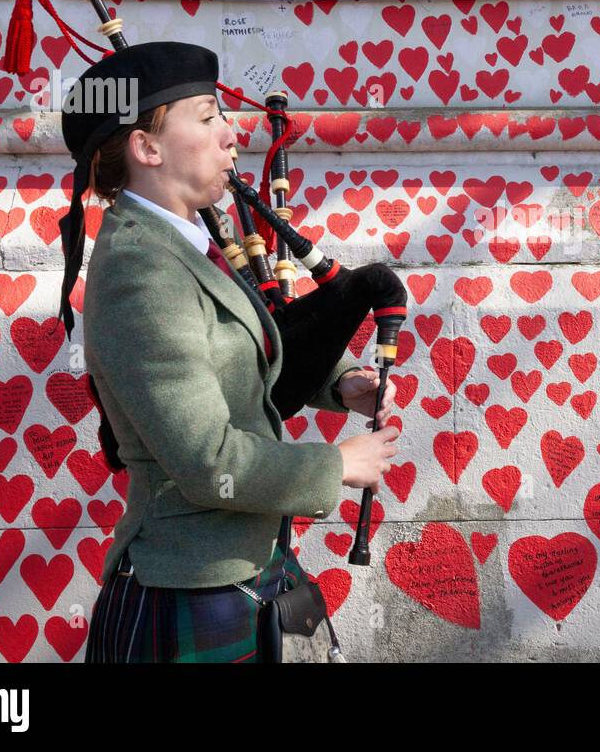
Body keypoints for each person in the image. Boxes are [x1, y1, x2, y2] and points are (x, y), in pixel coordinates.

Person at [65, 42, 400, 662]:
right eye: (208, 116)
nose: (232, 136)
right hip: (188, 586)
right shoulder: (143, 272)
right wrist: (334, 466)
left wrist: (342, 382)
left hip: (244, 566)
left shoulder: (190, 236)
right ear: (147, 148)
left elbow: (244, 339)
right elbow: (203, 459)